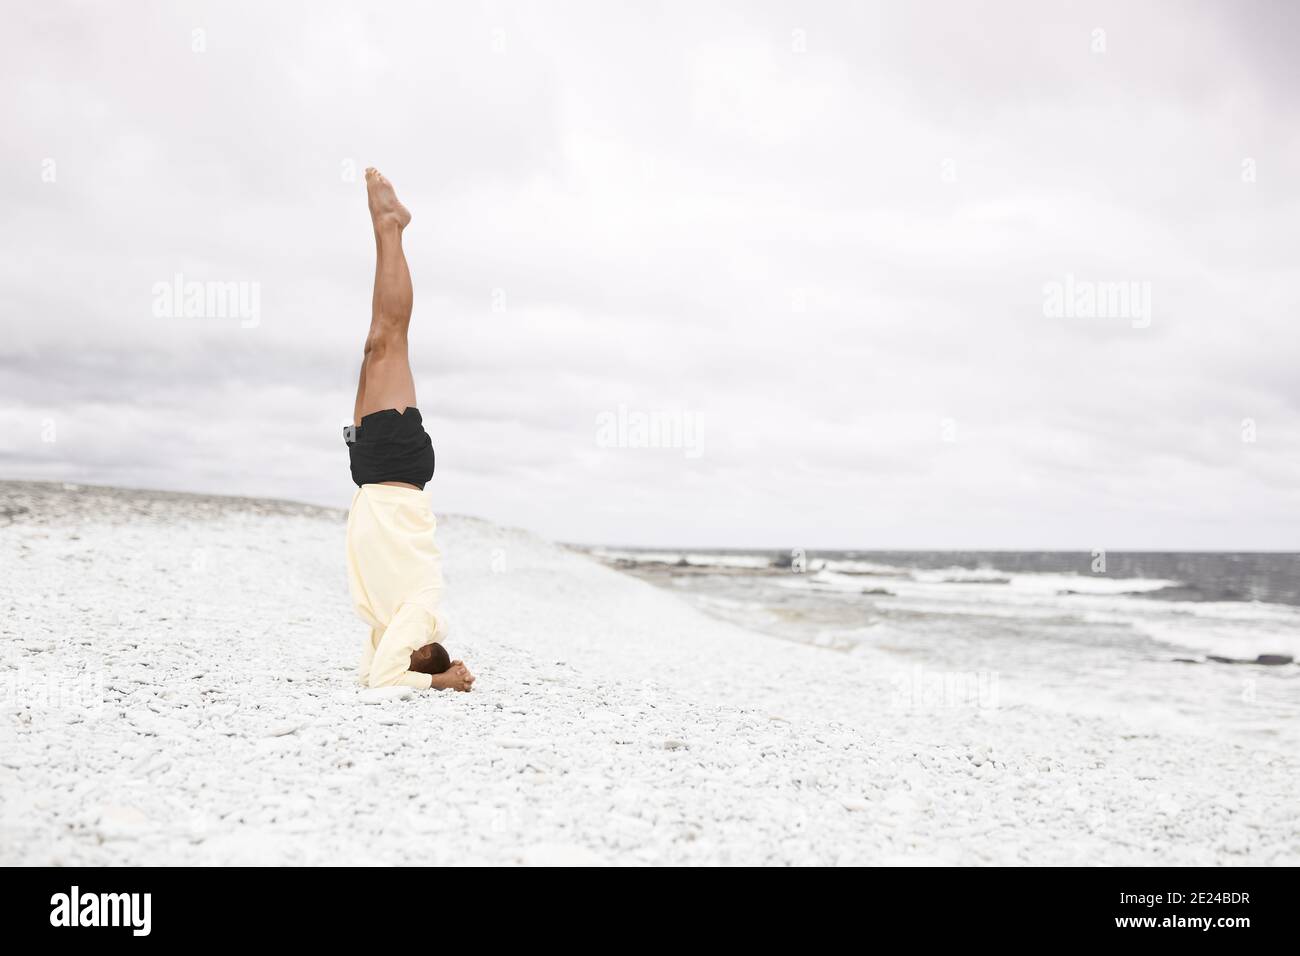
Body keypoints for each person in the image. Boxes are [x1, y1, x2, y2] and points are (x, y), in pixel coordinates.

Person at [344, 168, 474, 692]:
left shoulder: (386, 625)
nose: (404, 652)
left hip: (372, 473)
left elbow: (370, 676)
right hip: (396, 467)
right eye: (413, 657)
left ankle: (387, 229)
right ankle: (391, 228)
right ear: (423, 652)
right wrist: (442, 682)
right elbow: (385, 683)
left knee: (375, 341)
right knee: (391, 337)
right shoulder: (420, 615)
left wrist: (435, 675)